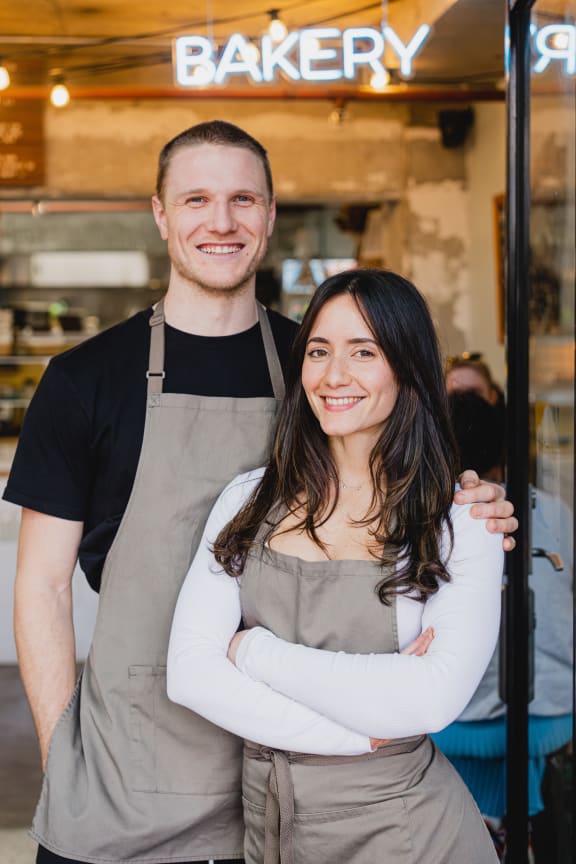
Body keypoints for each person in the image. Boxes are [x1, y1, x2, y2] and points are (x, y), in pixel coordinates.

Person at [4, 120, 517, 864]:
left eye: (243, 199)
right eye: (196, 199)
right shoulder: (84, 379)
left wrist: (468, 499)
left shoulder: (313, 364)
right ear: (161, 214)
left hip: (288, 797)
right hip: (129, 779)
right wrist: (64, 763)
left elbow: (401, 470)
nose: (221, 221)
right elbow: (42, 588)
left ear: (271, 215)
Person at [167, 268, 506, 863]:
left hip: (410, 838)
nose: (333, 376)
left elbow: (429, 700)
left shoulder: (461, 520)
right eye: (319, 351)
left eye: (364, 352)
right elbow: (190, 674)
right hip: (271, 831)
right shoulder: (249, 500)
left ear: (407, 367)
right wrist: (351, 735)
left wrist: (252, 652)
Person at [432, 390, 573, 862]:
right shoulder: (551, 509)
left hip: (459, 730)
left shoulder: (433, 517)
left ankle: (490, 829)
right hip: (553, 716)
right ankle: (513, 829)